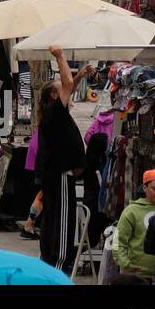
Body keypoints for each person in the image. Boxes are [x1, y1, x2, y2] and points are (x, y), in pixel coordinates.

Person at [37, 44, 88, 273]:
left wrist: (80, 76)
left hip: (56, 175)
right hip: (60, 175)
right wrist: (60, 56)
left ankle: (53, 263)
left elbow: (69, 85)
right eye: (63, 90)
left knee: (56, 220)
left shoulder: (54, 112)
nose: (70, 90)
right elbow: (66, 84)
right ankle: (59, 266)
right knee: (62, 223)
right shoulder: (55, 113)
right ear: (55, 96)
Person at [113, 169, 155, 280]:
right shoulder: (131, 211)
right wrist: (126, 264)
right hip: (137, 276)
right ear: (145, 188)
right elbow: (118, 242)